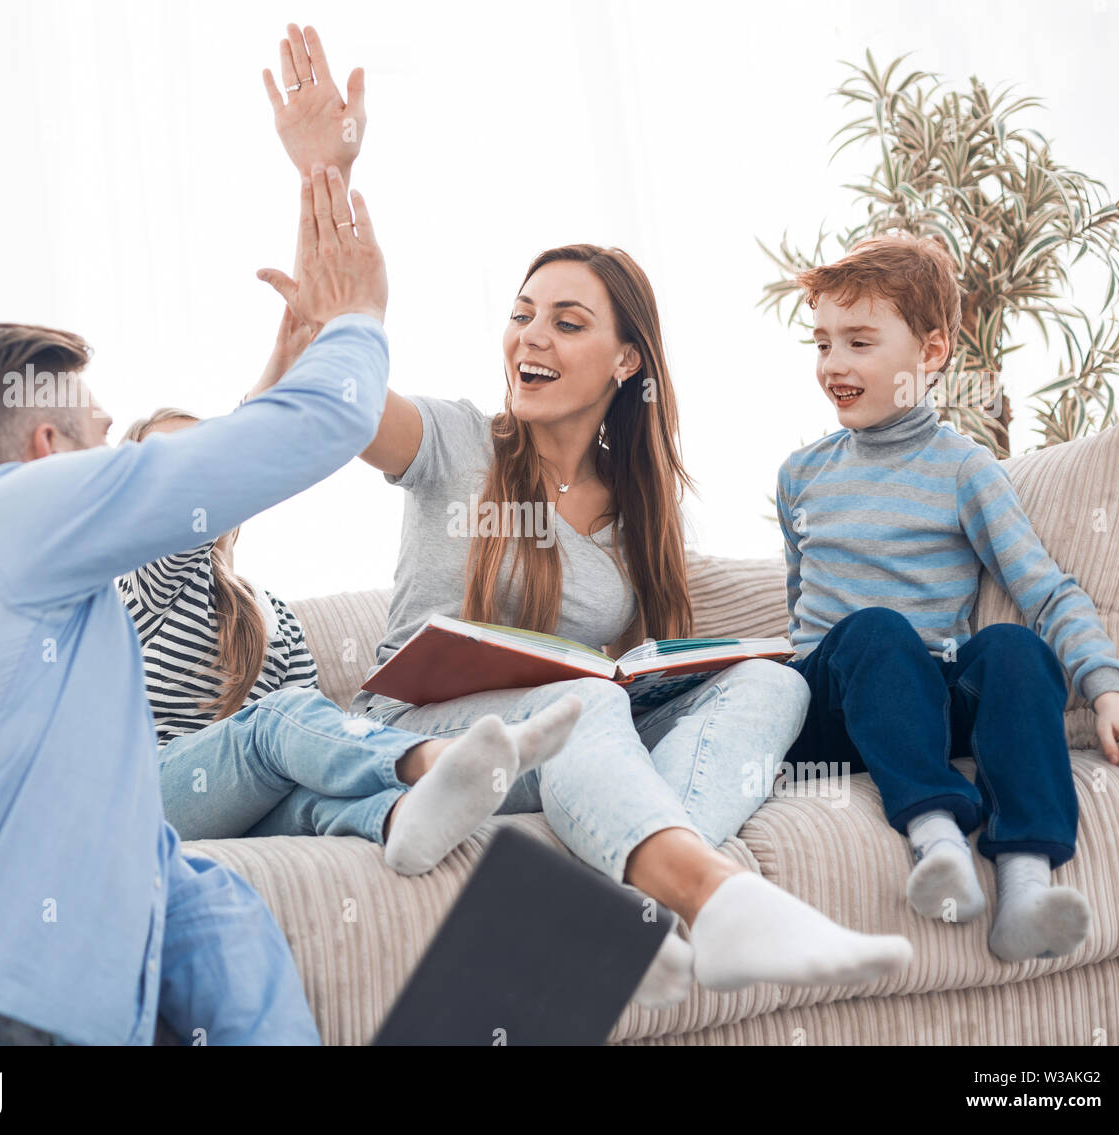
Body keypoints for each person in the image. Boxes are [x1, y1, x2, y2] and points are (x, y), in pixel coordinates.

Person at [254, 25, 915, 1002]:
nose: (530, 334)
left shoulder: (640, 518)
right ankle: (713, 899)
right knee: (587, 704)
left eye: (567, 322)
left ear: (624, 362)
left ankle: (630, 906)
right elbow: (320, 401)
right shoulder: (454, 443)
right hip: (432, 747)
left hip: (565, 747)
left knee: (772, 690)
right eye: (524, 312)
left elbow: (641, 679)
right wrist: (324, 182)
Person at [0, 166, 389, 1045]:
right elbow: (310, 433)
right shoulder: (6, 517)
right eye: (104, 437)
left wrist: (292, 355)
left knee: (196, 888)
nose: (116, 449)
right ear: (48, 448)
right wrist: (359, 314)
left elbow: (206, 482)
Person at [776, 231, 1119, 961]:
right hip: (830, 703)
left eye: (858, 341)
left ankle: (1025, 884)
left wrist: (1109, 693)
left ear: (933, 352)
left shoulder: (965, 470)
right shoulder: (801, 474)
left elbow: (1046, 591)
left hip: (920, 700)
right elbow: (801, 612)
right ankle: (938, 838)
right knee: (873, 630)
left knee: (1014, 648)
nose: (834, 364)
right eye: (822, 343)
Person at [118, 404, 580, 876]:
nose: (195, 468)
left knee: (312, 793)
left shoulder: (275, 615)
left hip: (233, 805)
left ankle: (402, 821)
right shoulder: (139, 579)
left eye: (202, 453)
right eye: (171, 460)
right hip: (148, 797)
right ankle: (438, 761)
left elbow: (311, 739)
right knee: (277, 719)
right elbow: (204, 499)